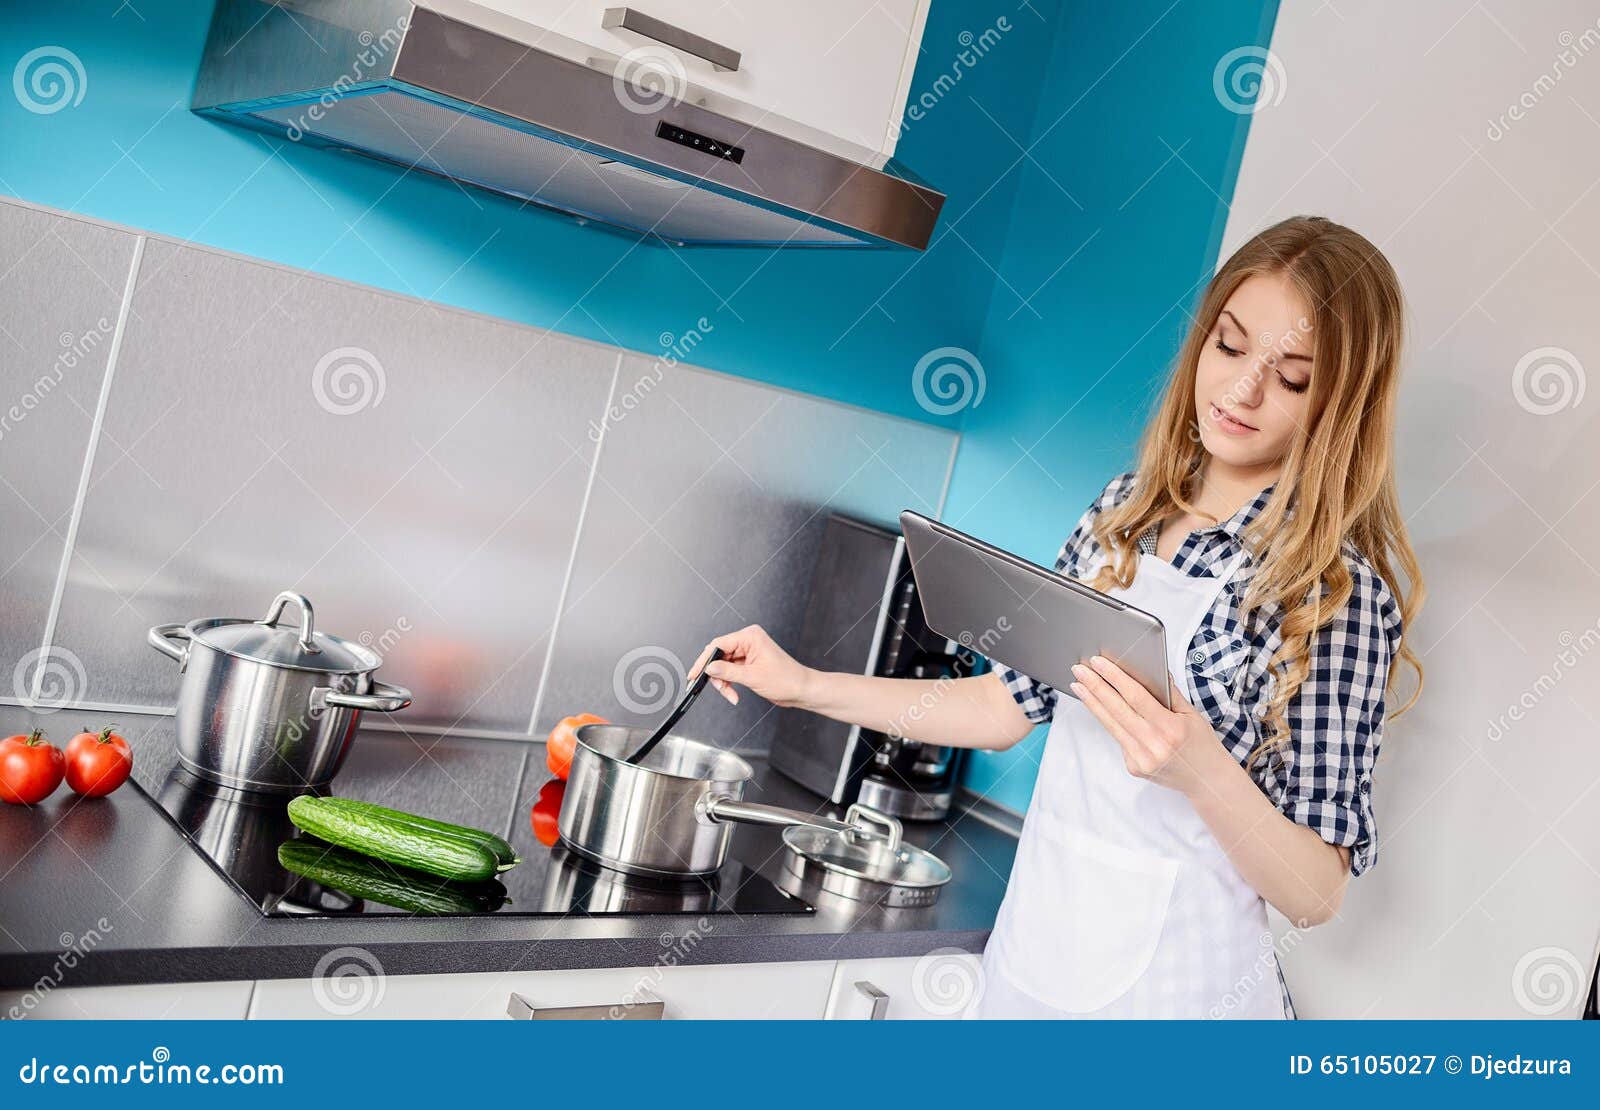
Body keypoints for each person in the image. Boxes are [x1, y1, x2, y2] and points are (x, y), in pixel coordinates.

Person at [689, 215, 1425, 1019]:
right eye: (1229, 346)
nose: (1243, 391)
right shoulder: (1124, 512)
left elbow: (1316, 892)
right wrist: (801, 685)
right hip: (1032, 975)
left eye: (1291, 378)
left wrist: (1202, 770)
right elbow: (1006, 706)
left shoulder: (1335, 595)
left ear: (1341, 404)